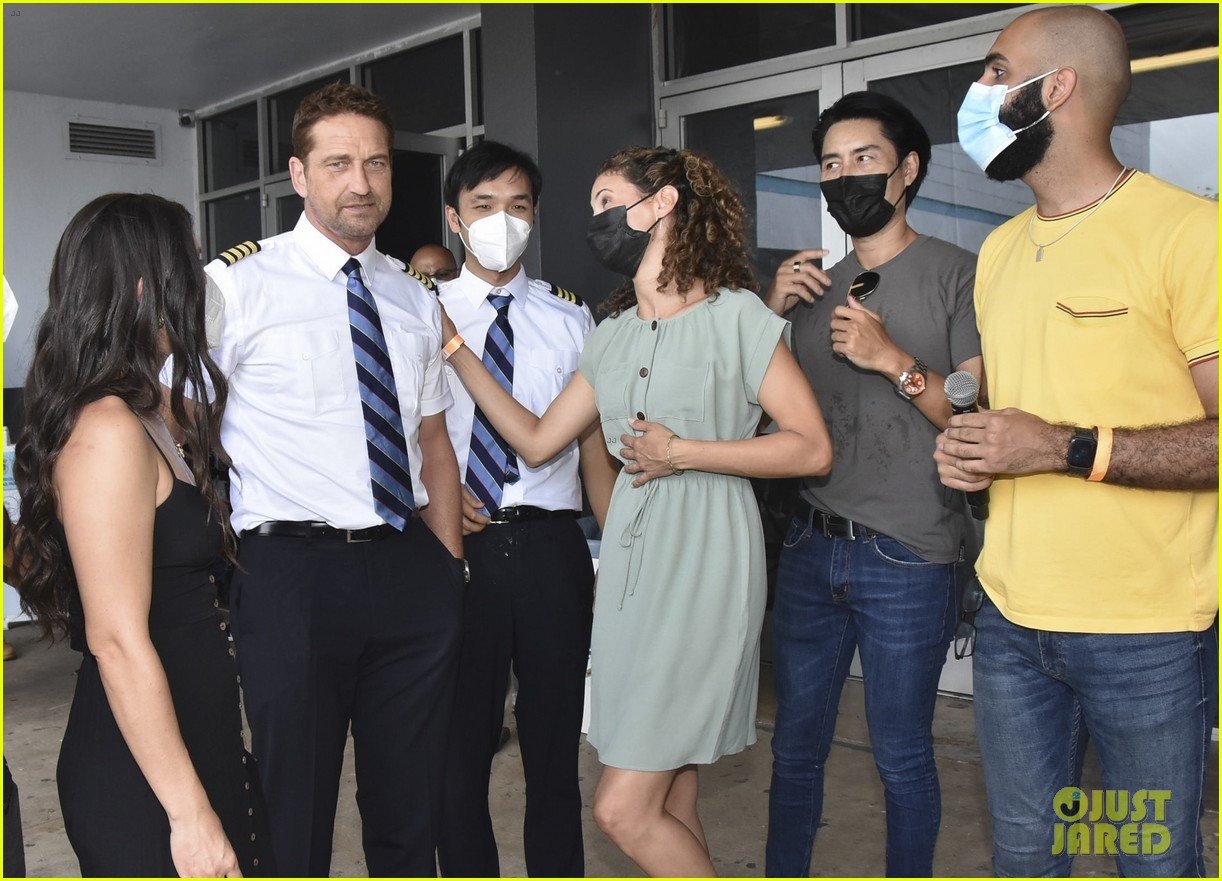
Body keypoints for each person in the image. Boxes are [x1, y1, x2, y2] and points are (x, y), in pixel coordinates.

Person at [440, 145, 833, 876]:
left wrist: (685, 451)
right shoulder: (610, 334)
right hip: (629, 567)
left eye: (606, 200)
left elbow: (810, 447)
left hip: (708, 558)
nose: (596, 220)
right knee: (673, 793)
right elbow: (533, 439)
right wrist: (458, 348)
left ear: (660, 206)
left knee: (620, 808)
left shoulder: (736, 317)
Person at [935, 6, 1217, 876]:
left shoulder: (1190, 233)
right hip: (1013, 621)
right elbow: (1017, 423)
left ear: (1053, 88)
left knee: (1150, 860)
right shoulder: (999, 249)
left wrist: (1057, 447)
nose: (974, 94)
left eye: (992, 71)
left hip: (1148, 634)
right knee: (1026, 854)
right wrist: (972, 453)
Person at [201, 83, 465, 876]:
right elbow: (178, 424)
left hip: (408, 565)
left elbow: (432, 439)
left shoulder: (413, 296)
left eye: (377, 162)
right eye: (339, 162)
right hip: (291, 574)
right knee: (294, 812)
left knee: (408, 811)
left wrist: (447, 568)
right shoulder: (235, 285)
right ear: (298, 173)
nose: (362, 182)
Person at [12, 193, 271, 877]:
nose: (202, 283)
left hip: (191, 730)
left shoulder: (153, 410)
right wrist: (190, 814)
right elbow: (116, 639)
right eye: (186, 263)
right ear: (139, 285)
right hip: (142, 775)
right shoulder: (105, 430)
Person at [762, 92, 982, 878]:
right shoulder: (812, 288)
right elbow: (757, 420)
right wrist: (767, 315)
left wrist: (893, 360)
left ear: (908, 169)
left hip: (911, 557)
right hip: (814, 551)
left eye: (864, 159)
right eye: (829, 163)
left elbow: (976, 416)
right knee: (794, 750)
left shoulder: (958, 274)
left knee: (901, 756)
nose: (844, 175)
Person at [435, 140, 616, 878]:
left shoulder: (572, 318)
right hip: (457, 549)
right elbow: (394, 433)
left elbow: (596, 451)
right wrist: (430, 505)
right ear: (454, 218)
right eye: (483, 206)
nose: (500, 221)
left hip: (550, 551)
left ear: (535, 217)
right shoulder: (421, 313)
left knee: (553, 752)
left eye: (517, 206)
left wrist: (619, 555)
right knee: (457, 749)